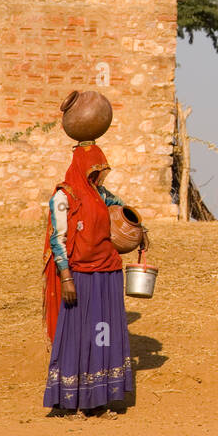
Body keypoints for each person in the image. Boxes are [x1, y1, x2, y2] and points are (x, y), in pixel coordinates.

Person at [42, 142, 139, 417]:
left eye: (102, 172)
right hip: (80, 276)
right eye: (94, 171)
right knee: (80, 336)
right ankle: (73, 401)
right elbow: (57, 240)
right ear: (82, 170)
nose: (99, 177)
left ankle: (100, 400)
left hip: (107, 274)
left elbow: (123, 209)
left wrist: (139, 228)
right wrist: (66, 277)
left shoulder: (101, 194)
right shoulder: (65, 196)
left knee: (103, 337)